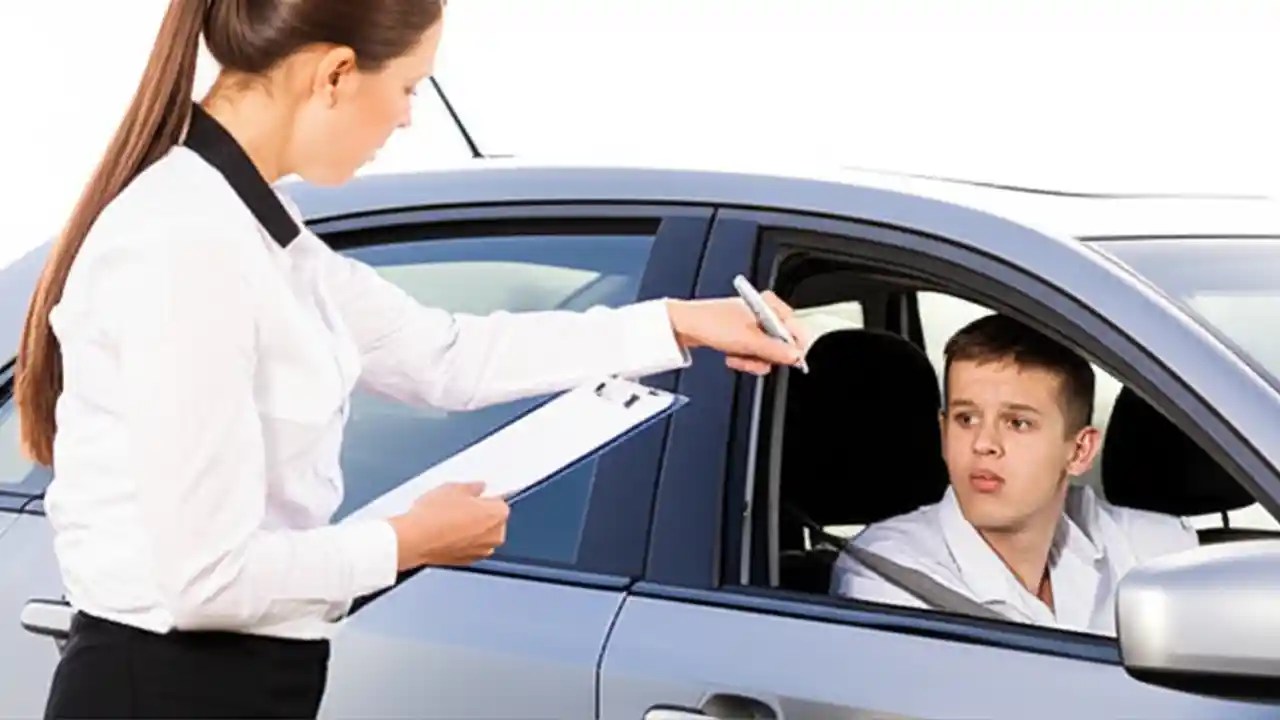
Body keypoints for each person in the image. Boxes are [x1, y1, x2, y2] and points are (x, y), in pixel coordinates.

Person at [18, 1, 809, 717]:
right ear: (334, 74)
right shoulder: (187, 245)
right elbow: (203, 581)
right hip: (166, 693)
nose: (405, 119)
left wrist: (679, 323)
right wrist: (408, 541)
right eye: (407, 87)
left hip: (232, 686)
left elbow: (447, 356)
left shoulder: (260, 229)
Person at [830, 314, 1197, 635]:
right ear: (943, 434)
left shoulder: (1145, 549)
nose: (983, 443)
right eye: (966, 419)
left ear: (1080, 451)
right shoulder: (887, 575)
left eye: (1017, 423)